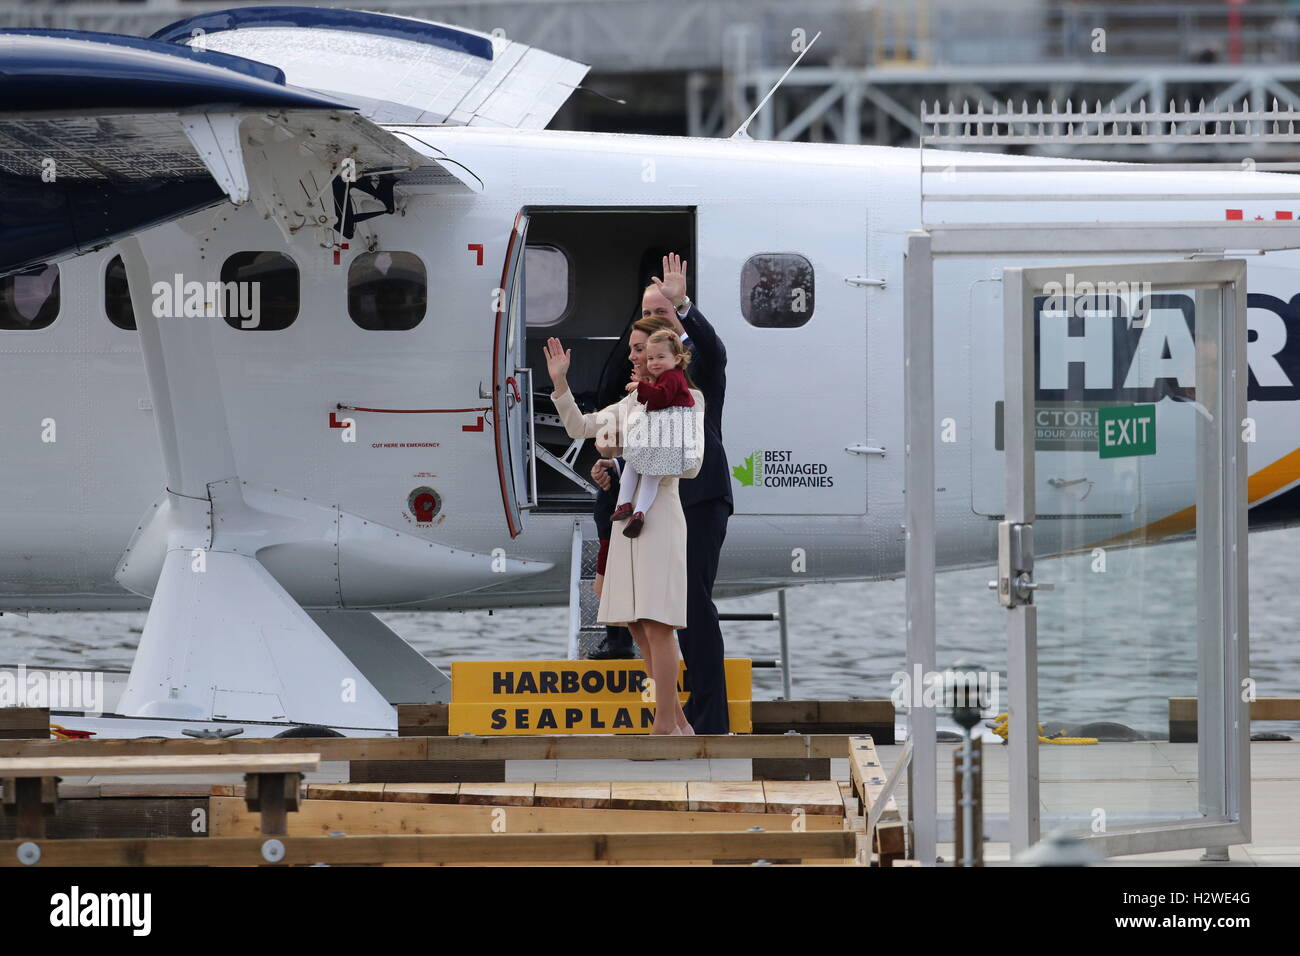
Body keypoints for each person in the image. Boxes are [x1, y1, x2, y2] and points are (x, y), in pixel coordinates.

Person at [592, 253, 734, 735]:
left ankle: (710, 722)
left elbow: (715, 353)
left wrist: (684, 303)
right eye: (648, 312)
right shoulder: (635, 366)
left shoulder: (697, 367)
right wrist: (609, 463)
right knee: (648, 618)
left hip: (697, 499)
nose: (654, 320)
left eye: (664, 312)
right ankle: (671, 720)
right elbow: (618, 424)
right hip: (647, 503)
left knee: (691, 607)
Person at [543, 335, 706, 735]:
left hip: (659, 515)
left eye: (645, 353)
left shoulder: (690, 397)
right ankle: (679, 723)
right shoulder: (628, 405)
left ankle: (664, 723)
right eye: (637, 353)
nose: (637, 359)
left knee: (657, 621)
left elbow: (693, 466)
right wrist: (560, 383)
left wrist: (645, 458)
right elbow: (577, 426)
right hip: (626, 519)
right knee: (636, 624)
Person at [612, 329, 699, 538]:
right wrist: (645, 387)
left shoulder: (673, 377)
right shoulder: (666, 377)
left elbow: (661, 398)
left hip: (664, 437)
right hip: (660, 436)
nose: (654, 362)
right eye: (650, 358)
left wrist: (640, 385)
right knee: (639, 468)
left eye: (661, 357)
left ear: (677, 359)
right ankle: (632, 509)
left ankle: (632, 508)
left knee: (640, 469)